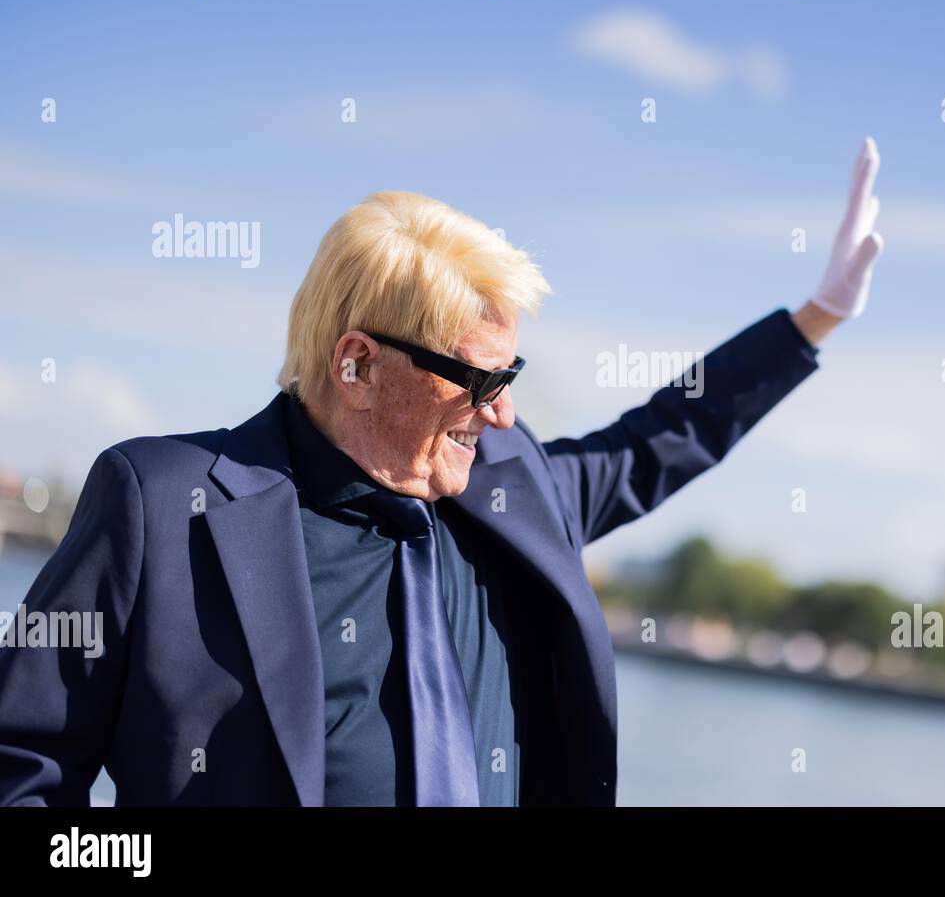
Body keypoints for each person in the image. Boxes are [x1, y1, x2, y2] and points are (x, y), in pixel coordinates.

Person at [0, 138, 885, 806]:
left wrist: (813, 320)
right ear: (357, 363)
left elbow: (656, 440)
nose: (502, 411)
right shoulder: (163, 504)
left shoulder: (513, 485)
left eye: (513, 378)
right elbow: (22, 766)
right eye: (478, 379)